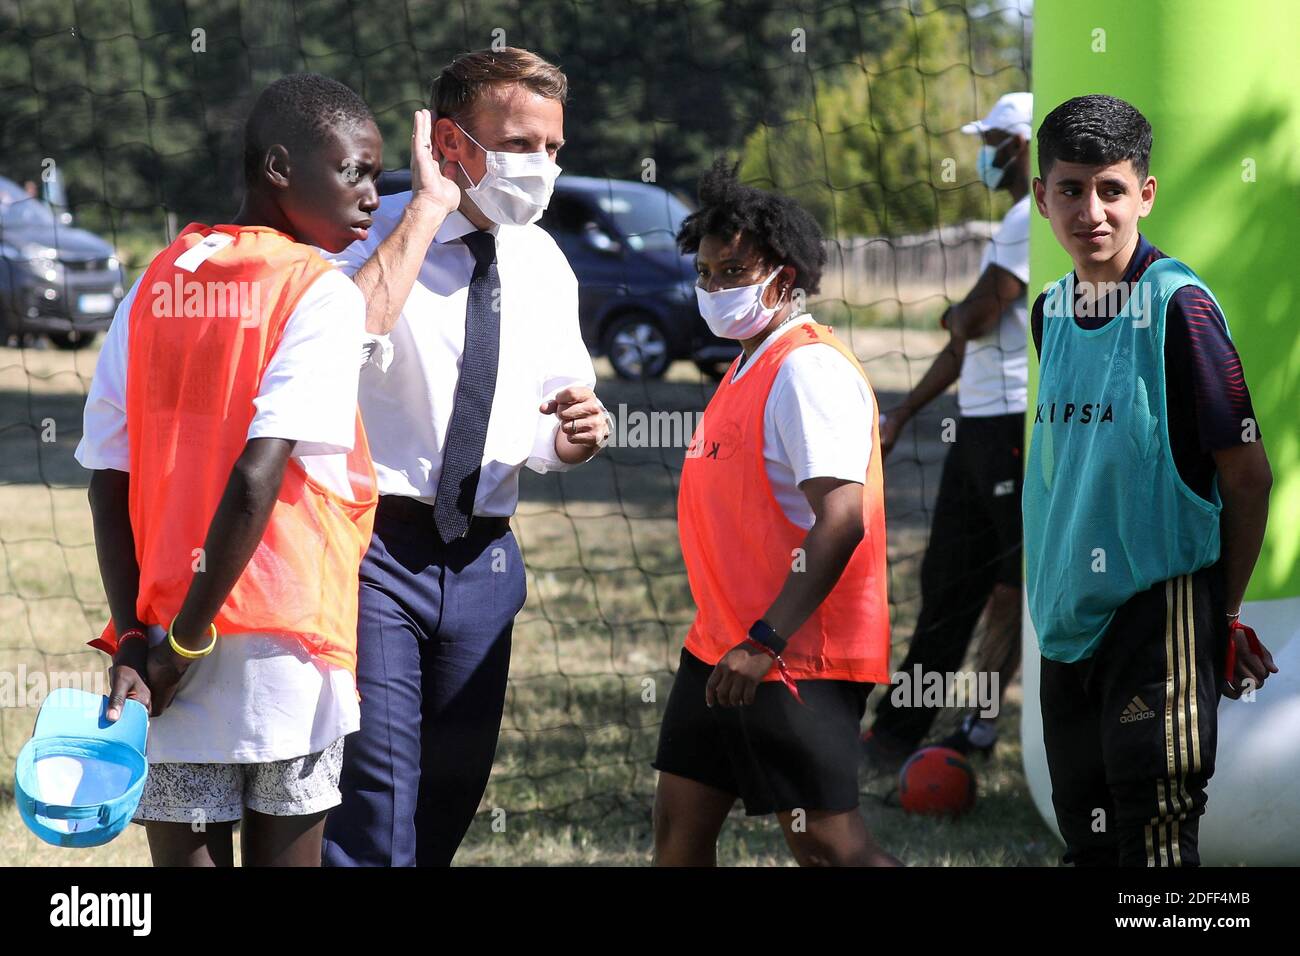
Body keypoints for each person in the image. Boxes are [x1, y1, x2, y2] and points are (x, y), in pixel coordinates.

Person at [76, 74, 387, 866]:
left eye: (378, 176)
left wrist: (138, 641)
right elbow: (257, 477)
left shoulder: (154, 280)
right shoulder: (319, 290)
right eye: (354, 170)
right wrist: (178, 646)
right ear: (279, 166)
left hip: (164, 638)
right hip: (278, 636)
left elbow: (107, 478)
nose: (371, 195)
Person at [321, 47, 609, 867]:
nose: (542, 168)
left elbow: (551, 422)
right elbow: (335, 349)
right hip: (376, 549)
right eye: (521, 145)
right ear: (450, 142)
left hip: (484, 561)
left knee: (446, 805)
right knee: (374, 812)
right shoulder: (367, 236)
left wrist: (573, 436)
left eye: (554, 149)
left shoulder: (544, 262)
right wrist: (422, 215)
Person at [1025, 94, 1276, 866]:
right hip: (1067, 625)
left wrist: (1219, 619)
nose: (1090, 210)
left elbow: (1248, 477)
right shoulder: (1049, 312)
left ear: (1146, 193)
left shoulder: (1181, 310)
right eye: (1070, 188)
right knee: (1088, 843)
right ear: (1041, 197)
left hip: (1156, 618)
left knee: (1153, 848)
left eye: (1110, 189)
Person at [652, 160, 898, 867]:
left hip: (791, 655)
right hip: (718, 649)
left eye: (732, 273)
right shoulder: (745, 363)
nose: (713, 288)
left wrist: (765, 641)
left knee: (828, 847)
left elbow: (843, 519)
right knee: (678, 834)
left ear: (783, 279)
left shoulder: (807, 370)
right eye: (704, 272)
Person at [862, 92, 1032, 770]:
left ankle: (980, 731)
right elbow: (962, 339)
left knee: (1013, 589)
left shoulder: (1030, 216)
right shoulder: (1016, 220)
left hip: (1019, 427)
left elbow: (977, 317)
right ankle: (896, 731)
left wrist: (960, 314)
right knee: (949, 579)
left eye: (990, 140)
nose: (982, 154)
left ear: (1017, 145)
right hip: (980, 425)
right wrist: (904, 412)